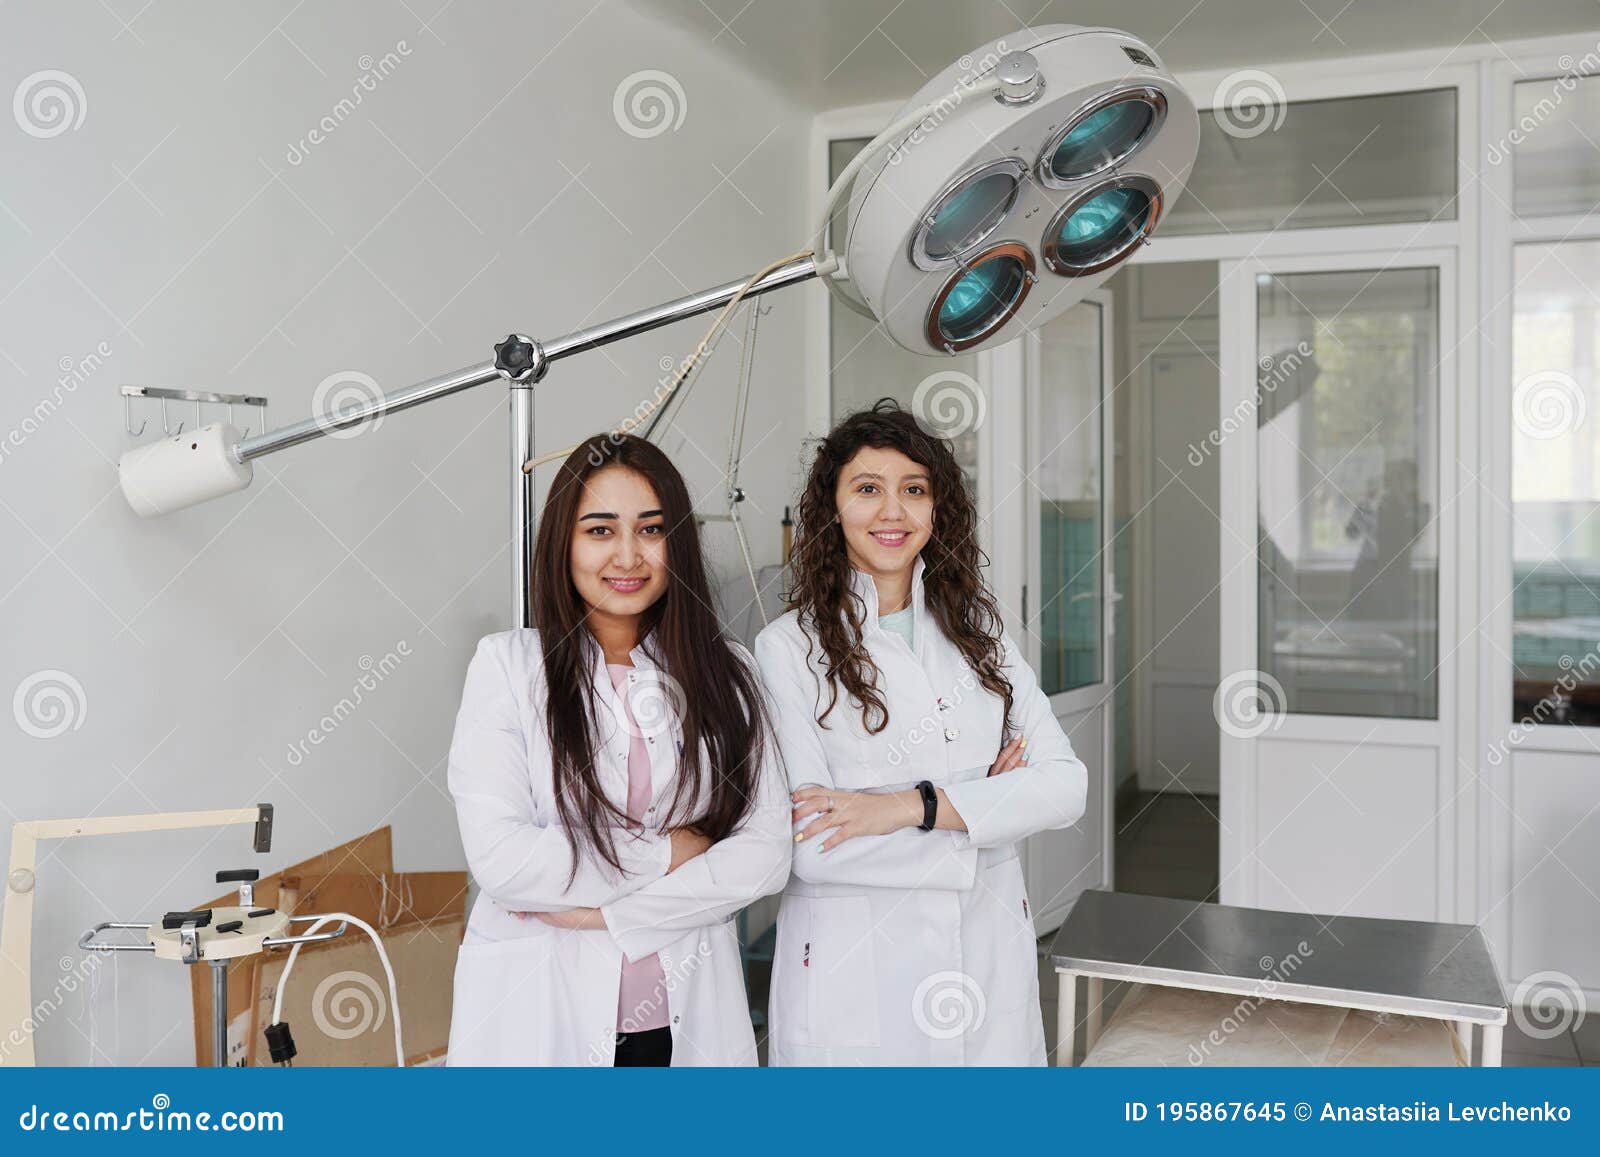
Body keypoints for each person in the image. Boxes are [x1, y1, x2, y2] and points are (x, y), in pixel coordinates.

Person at [756, 399, 1088, 1065]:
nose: (893, 511)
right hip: (857, 973)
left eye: (914, 489)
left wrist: (906, 806)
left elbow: (1066, 787)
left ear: (938, 509)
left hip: (986, 952)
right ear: (832, 508)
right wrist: (987, 811)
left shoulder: (980, 635)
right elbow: (813, 844)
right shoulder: (787, 648)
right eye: (867, 489)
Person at [446, 433, 791, 1066]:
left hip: (684, 1008)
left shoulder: (729, 672)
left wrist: (609, 917)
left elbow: (765, 856)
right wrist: (671, 852)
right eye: (600, 530)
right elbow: (504, 861)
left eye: (651, 530)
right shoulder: (508, 668)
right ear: (564, 542)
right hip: (541, 1007)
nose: (628, 555)